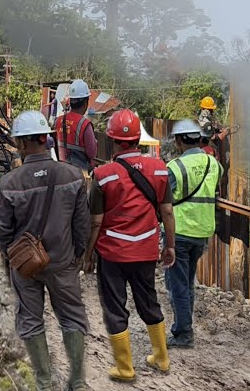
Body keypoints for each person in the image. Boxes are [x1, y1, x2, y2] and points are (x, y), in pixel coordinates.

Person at [0, 110, 92, 391]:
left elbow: (3, 231)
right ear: (46, 139)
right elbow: (82, 223)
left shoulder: (9, 184)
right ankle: (77, 382)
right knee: (73, 317)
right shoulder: (73, 176)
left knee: (30, 320)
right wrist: (77, 253)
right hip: (63, 262)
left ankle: (45, 383)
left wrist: (10, 257)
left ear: (23, 143)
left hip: (26, 266)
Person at [84, 109, 176, 381]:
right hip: (146, 250)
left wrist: (88, 255)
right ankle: (161, 358)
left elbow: (95, 222)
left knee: (115, 307)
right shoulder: (160, 169)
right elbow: (167, 212)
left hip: (112, 254)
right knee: (148, 301)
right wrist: (169, 246)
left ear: (112, 140)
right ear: (138, 139)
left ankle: (125, 368)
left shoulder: (102, 175)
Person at [165, 118, 223, 349]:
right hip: (202, 232)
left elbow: (164, 202)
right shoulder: (214, 164)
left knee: (177, 284)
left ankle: (183, 333)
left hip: (179, 232)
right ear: (200, 139)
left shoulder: (175, 167)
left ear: (179, 141)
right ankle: (184, 327)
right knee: (187, 283)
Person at [54, 79, 97, 174]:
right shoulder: (85, 124)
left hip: (60, 170)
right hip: (80, 173)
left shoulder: (58, 120)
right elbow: (92, 154)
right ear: (86, 102)